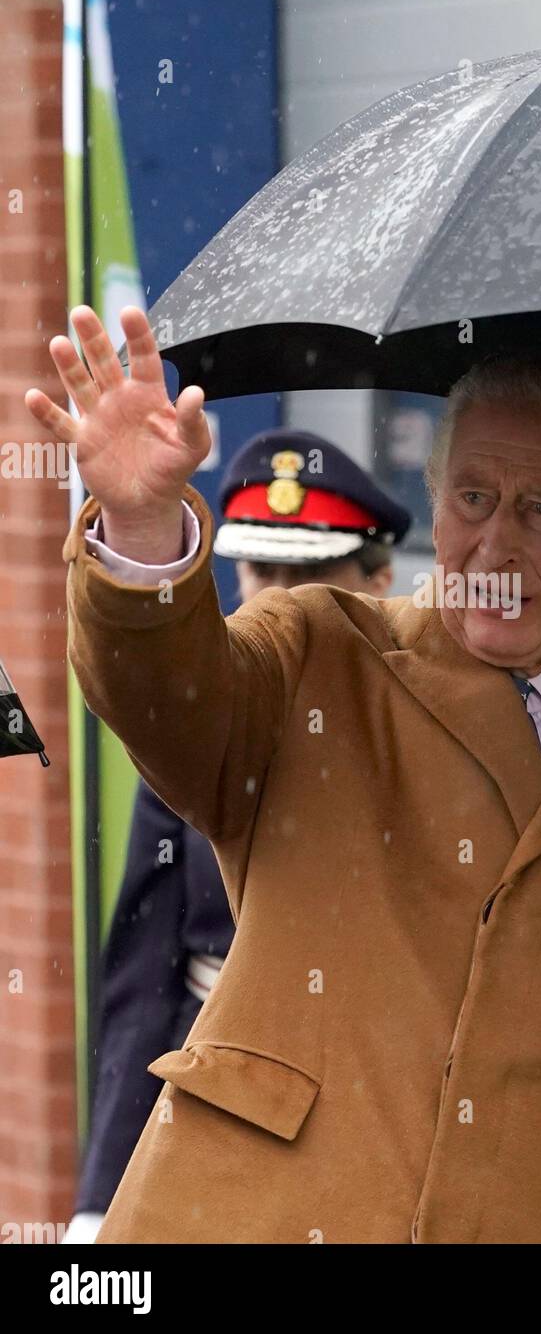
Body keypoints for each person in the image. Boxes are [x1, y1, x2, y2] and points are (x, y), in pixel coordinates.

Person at [28, 305, 541, 1244]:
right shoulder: (315, 649)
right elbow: (161, 697)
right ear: (433, 503)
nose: (494, 543)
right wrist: (142, 527)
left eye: (540, 506)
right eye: (472, 498)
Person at [60, 428, 410, 1244]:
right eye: (261, 572)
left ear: (381, 576)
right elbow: (145, 983)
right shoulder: (195, 740)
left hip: (375, 1117)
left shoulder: (426, 730)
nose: (278, 602)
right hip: (215, 1107)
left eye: (312, 576)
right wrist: (97, 1198)